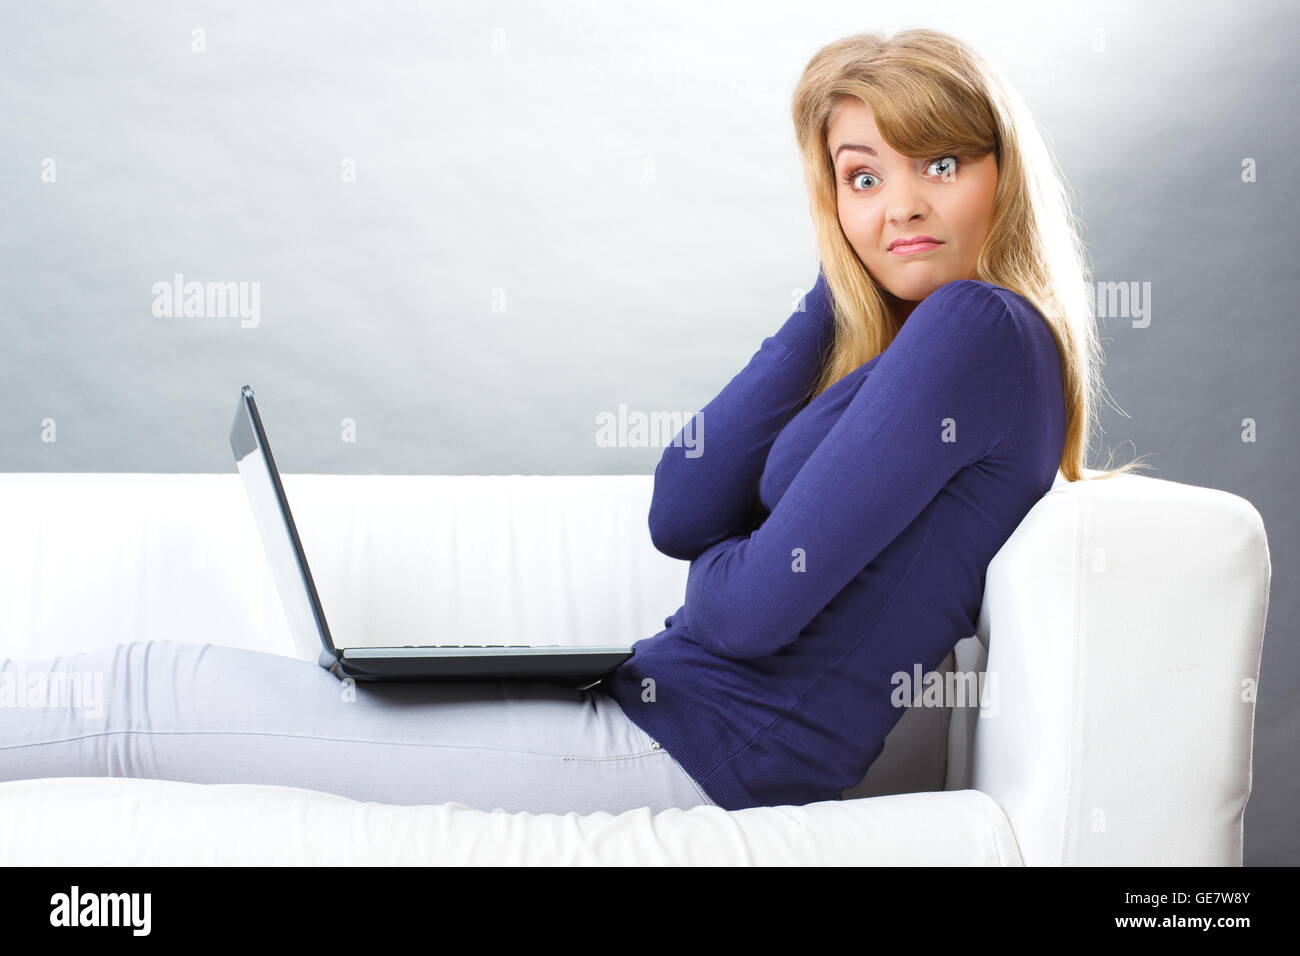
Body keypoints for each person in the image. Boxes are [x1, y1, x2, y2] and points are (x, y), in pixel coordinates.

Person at [0, 28, 1144, 816]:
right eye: (859, 177)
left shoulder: (982, 330)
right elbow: (679, 504)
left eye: (938, 163)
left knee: (137, 697)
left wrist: (723, 577)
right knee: (147, 690)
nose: (898, 204)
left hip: (705, 751)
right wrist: (835, 285)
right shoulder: (918, 336)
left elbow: (744, 612)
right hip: (669, 717)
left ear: (1004, 175)